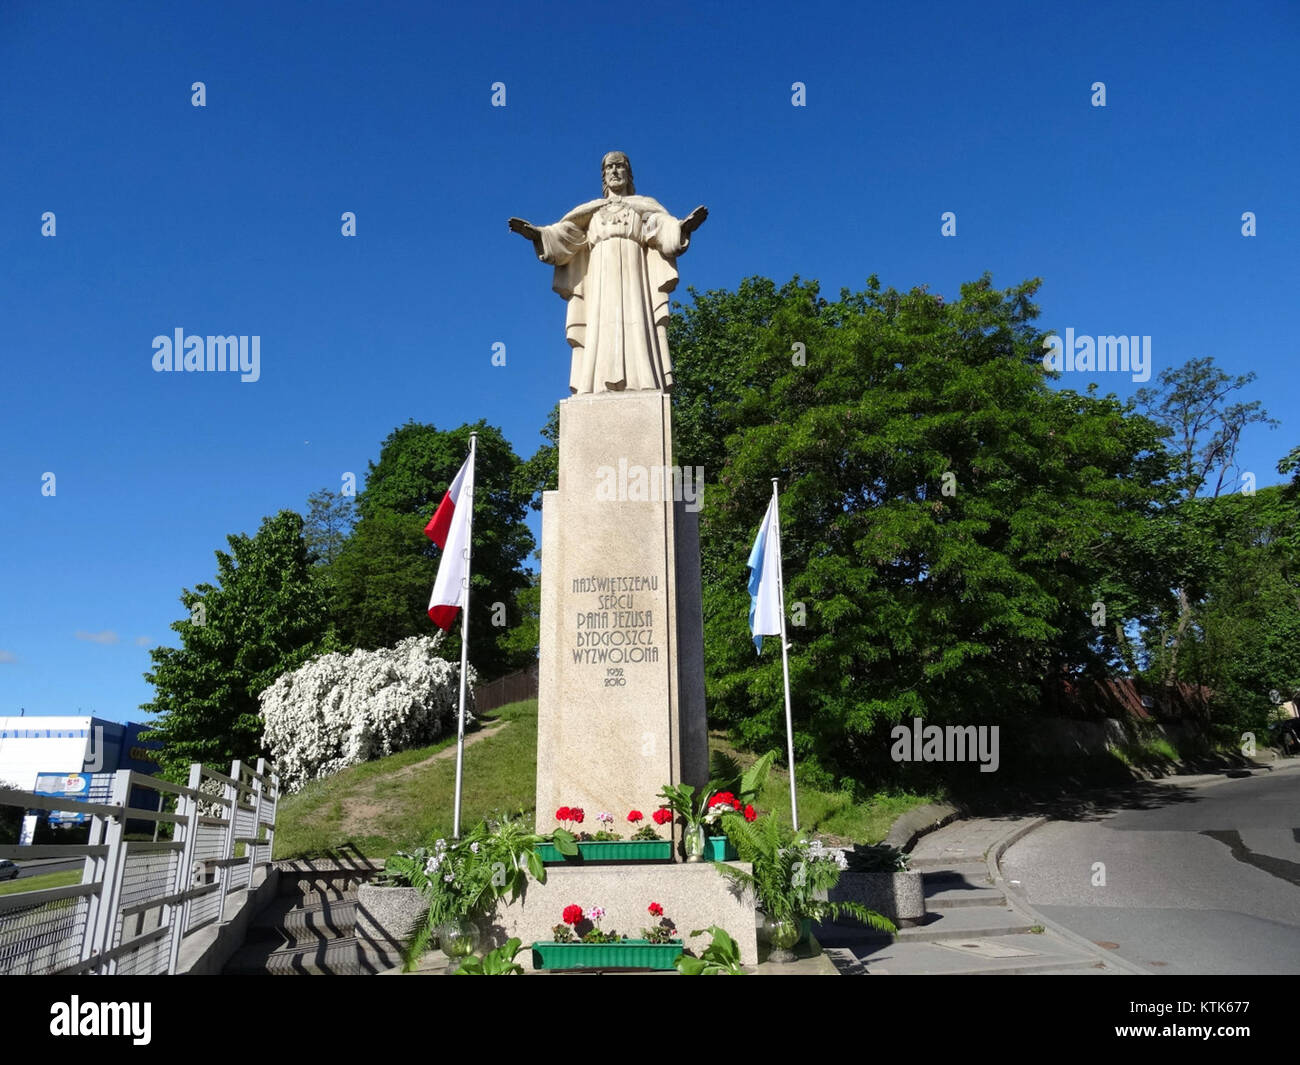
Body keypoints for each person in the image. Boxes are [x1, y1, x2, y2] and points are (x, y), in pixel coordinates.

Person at [509, 151, 707, 394]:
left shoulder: (643, 206)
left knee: (637, 323)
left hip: (635, 274)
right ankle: (594, 383)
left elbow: (661, 225)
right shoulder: (592, 212)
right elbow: (565, 234)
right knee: (599, 328)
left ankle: (643, 380)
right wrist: (538, 234)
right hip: (600, 275)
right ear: (603, 176)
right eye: (609, 168)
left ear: (628, 172)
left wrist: (680, 228)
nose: (614, 171)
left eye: (619, 166)